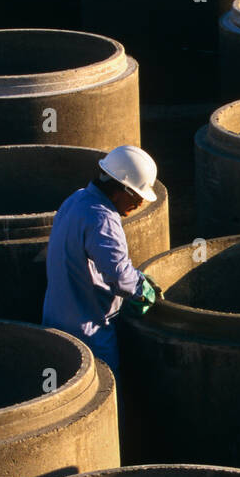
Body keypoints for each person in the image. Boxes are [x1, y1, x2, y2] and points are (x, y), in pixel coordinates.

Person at [42, 145, 159, 375]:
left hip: (55, 321)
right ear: (121, 189)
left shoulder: (75, 200)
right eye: (137, 196)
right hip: (89, 333)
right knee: (103, 388)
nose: (140, 204)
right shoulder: (102, 219)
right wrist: (141, 289)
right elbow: (119, 276)